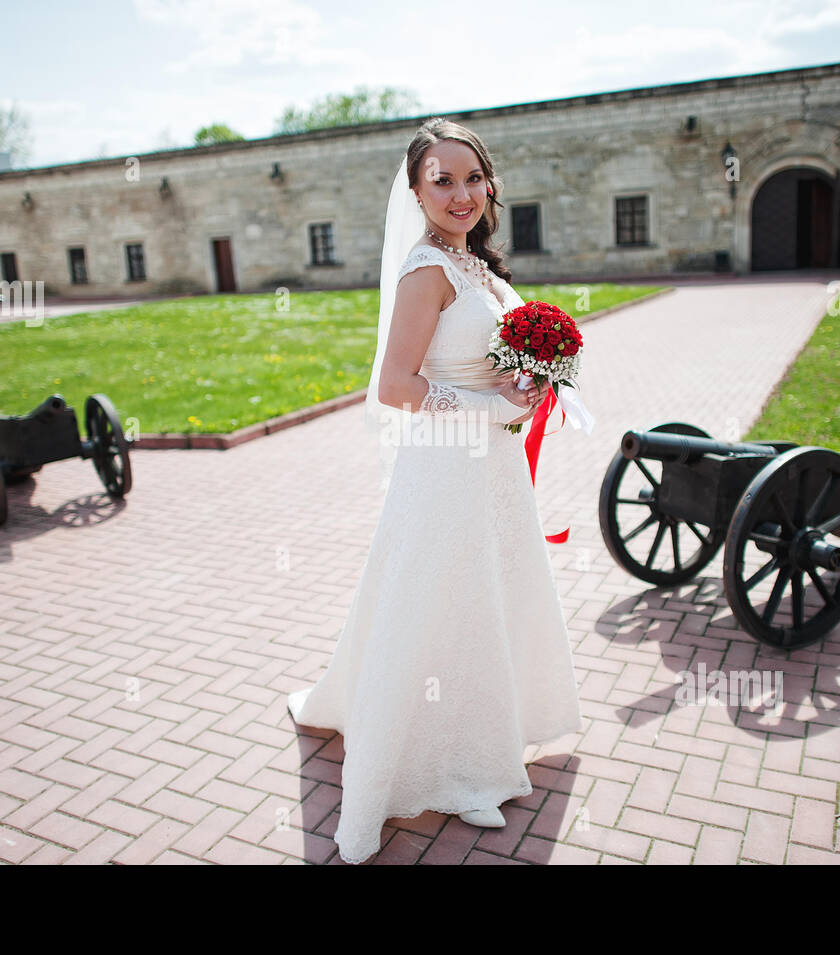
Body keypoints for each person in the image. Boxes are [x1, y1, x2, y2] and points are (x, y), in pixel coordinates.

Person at [286, 117, 584, 864]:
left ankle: (476, 753)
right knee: (438, 600)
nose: (461, 193)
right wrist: (490, 408)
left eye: (472, 178)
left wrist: (527, 380)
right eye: (441, 180)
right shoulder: (428, 271)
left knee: (484, 597)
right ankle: (428, 765)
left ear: (489, 184)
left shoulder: (479, 268)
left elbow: (485, 360)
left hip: (491, 469)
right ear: (416, 191)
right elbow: (394, 385)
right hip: (445, 469)